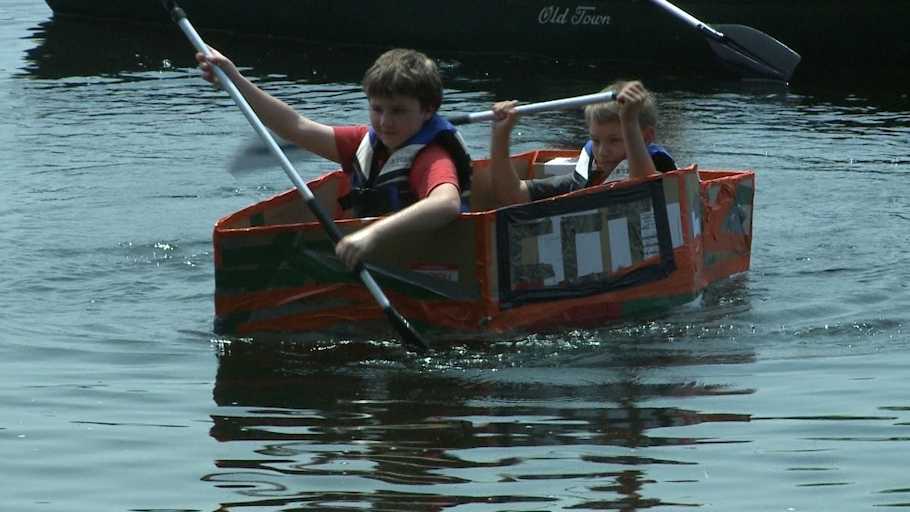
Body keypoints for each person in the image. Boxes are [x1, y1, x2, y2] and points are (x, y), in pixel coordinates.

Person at [196, 48, 471, 270]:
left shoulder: (432, 157)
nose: (385, 122)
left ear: (428, 110)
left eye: (398, 111)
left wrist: (372, 234)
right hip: (374, 262)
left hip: (424, 264)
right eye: (377, 109)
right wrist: (236, 81)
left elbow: (446, 204)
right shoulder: (364, 142)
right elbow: (296, 127)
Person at [484, 80, 676, 207]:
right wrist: (500, 136)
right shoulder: (584, 179)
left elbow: (644, 194)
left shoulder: (659, 172)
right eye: (596, 140)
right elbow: (512, 196)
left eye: (615, 140)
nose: (603, 151)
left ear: (646, 137)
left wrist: (629, 122)